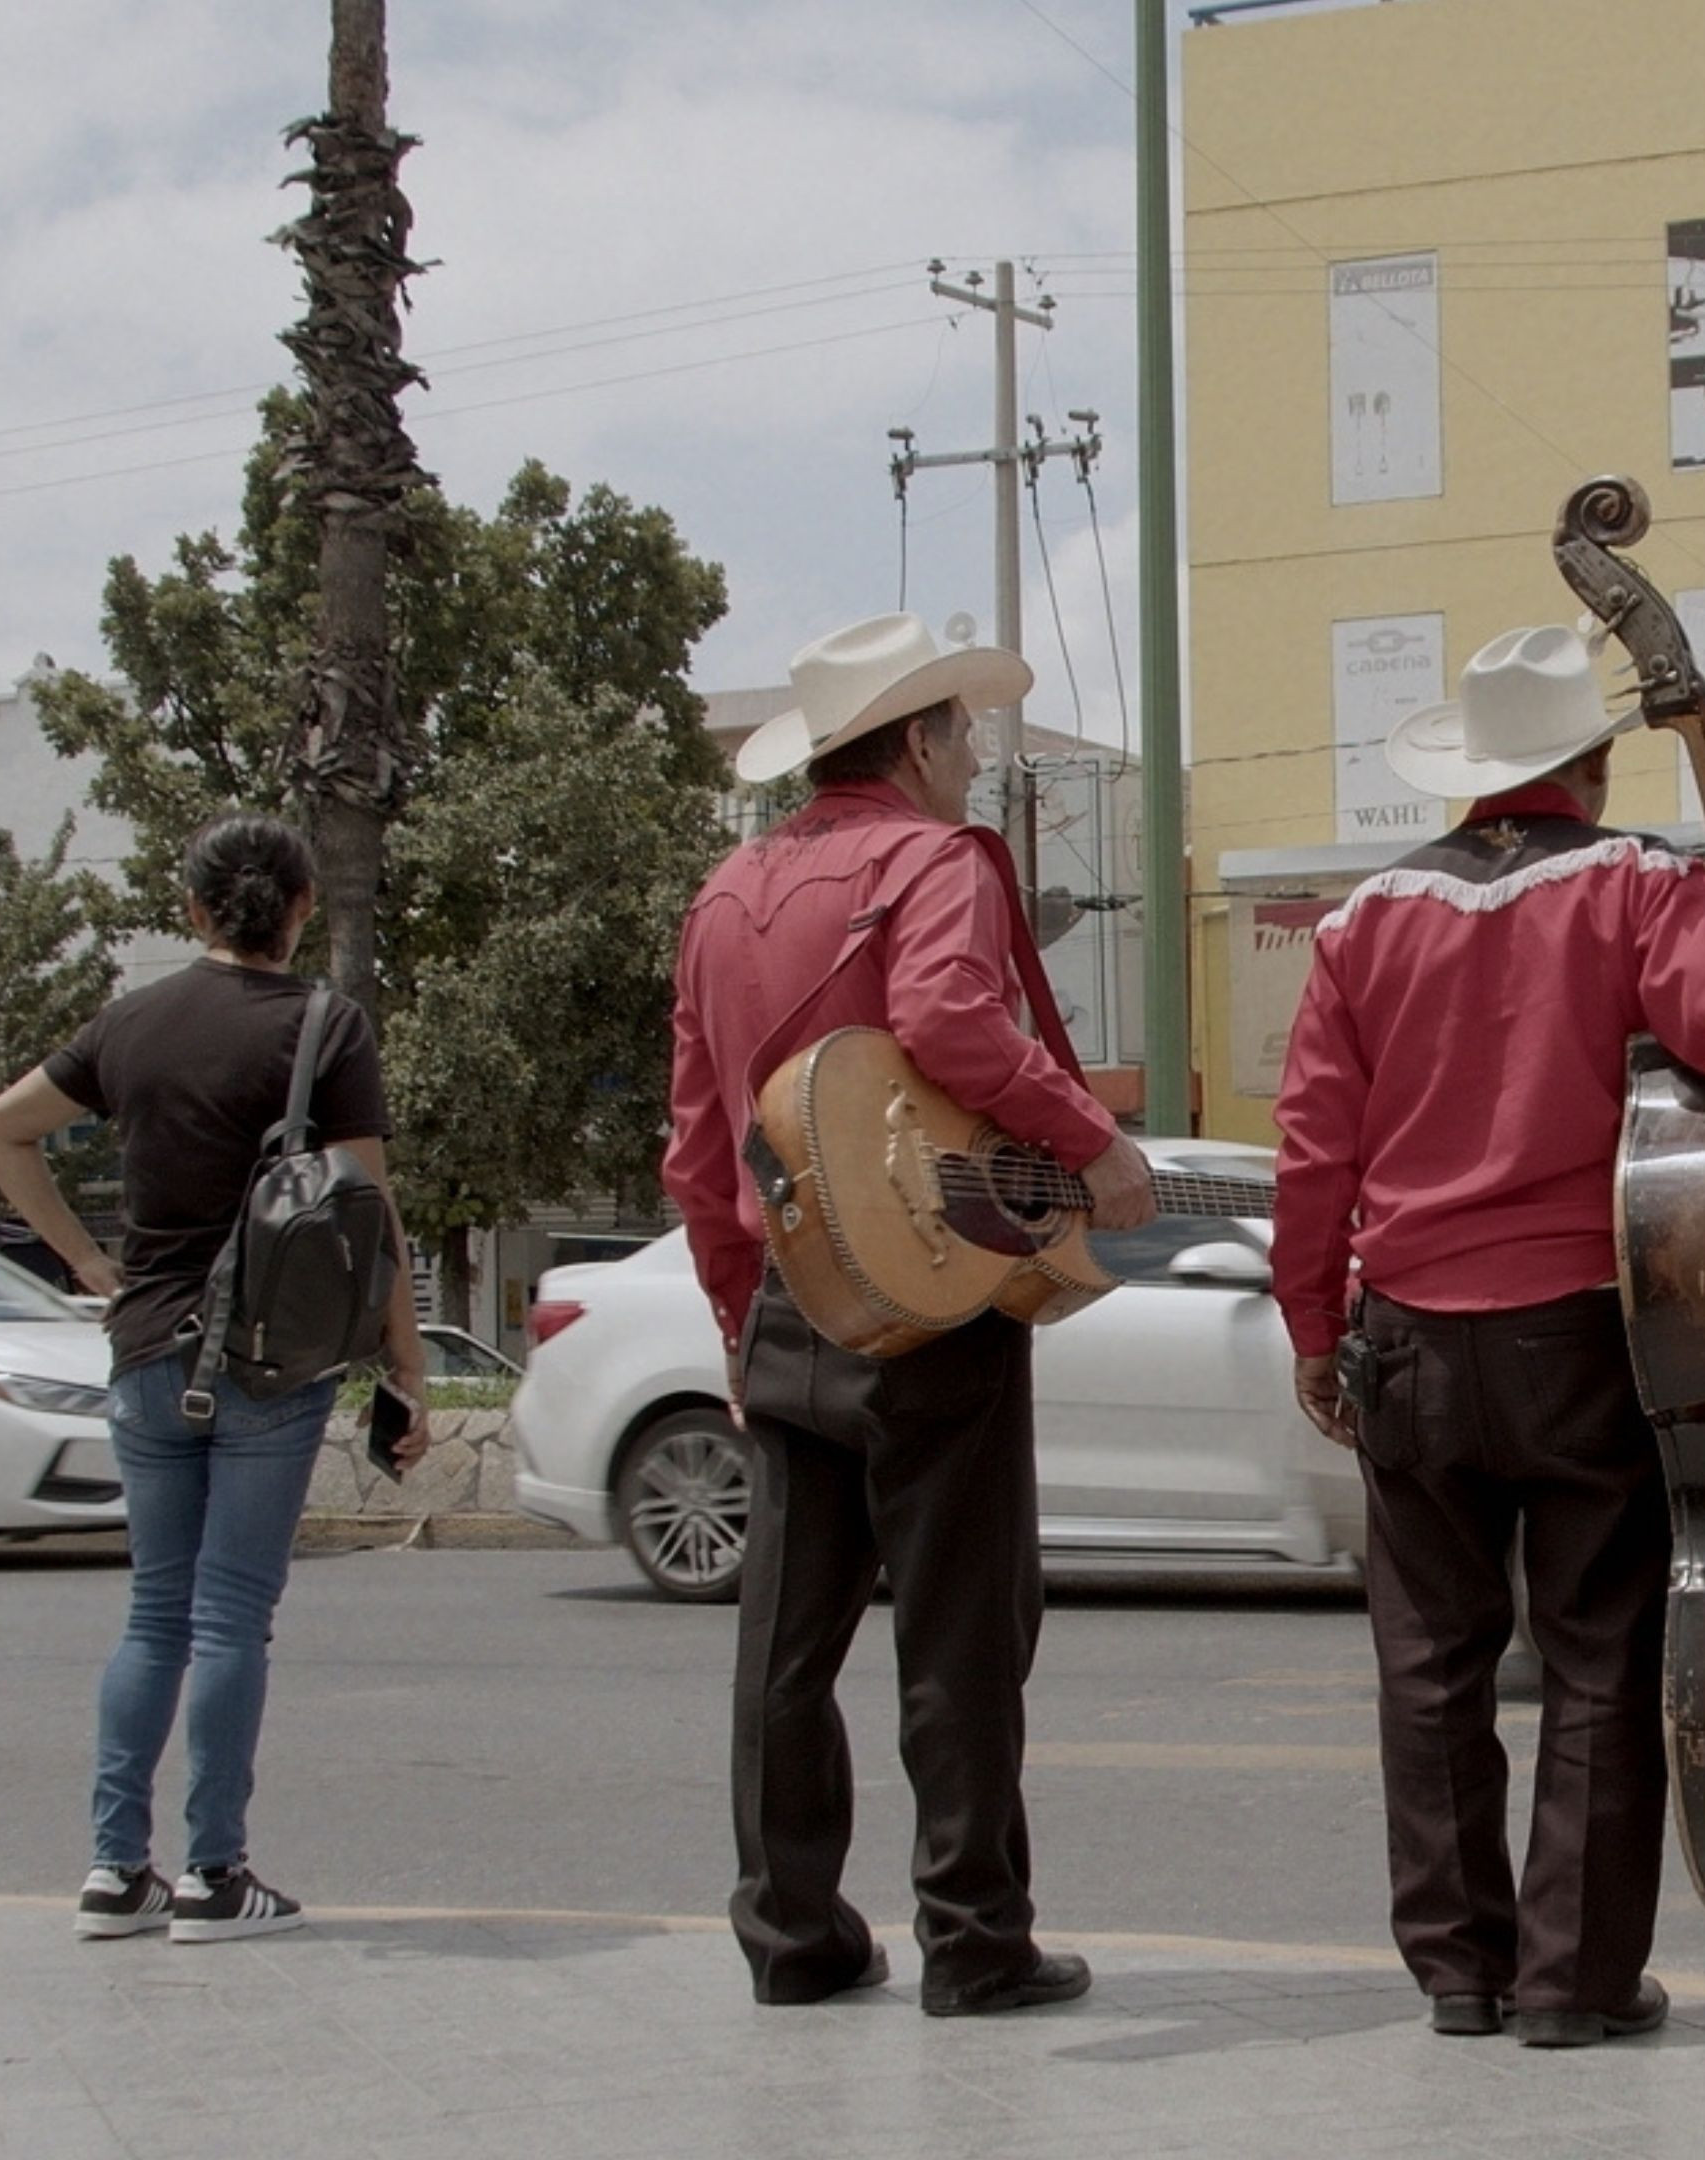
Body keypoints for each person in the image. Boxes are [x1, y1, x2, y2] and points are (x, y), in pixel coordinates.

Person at [1268, 622, 1705, 2049]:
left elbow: (1313, 1148)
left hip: (1410, 1336)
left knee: (1431, 1664)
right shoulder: (1634, 888)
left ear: (1470, 777)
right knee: (1595, 1656)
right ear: (1593, 757)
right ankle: (1572, 1981)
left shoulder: (1361, 921)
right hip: (1579, 1335)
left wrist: (1314, 1324)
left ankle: (1459, 1970)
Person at [661, 613, 1152, 2015]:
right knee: (960, 1633)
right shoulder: (935, 862)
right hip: (934, 1299)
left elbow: (702, 1147)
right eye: (969, 733)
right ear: (923, 739)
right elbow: (944, 1016)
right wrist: (1090, 1140)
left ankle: (793, 1937)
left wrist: (733, 1313)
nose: (980, 758)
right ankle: (974, 1940)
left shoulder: (725, 894)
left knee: (785, 1643)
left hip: (786, 1291)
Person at [0, 813, 431, 1946]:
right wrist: (407, 1368)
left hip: (142, 1352)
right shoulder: (328, 1025)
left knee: (154, 1614)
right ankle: (216, 1878)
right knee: (232, 1620)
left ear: (192, 911)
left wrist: (83, 1258)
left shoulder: (131, 1023)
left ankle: (115, 1872)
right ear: (303, 908)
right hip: (268, 1362)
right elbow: (368, 1217)